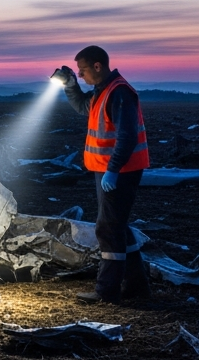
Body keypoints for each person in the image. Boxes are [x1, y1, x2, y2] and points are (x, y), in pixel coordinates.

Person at [53, 45, 151, 303]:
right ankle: (137, 287)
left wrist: (113, 171)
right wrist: (71, 85)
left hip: (120, 172)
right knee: (118, 226)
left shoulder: (119, 92)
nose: (81, 75)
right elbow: (83, 106)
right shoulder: (103, 91)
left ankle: (106, 291)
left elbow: (127, 136)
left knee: (107, 228)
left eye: (82, 70)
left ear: (98, 66)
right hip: (111, 171)